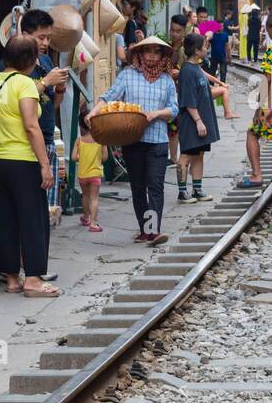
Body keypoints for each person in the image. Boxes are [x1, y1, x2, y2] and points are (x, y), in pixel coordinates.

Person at [0, 34, 59, 298]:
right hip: (23, 161)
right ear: (32, 61)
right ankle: (32, 279)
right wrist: (45, 165)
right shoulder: (26, 85)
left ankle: (11, 278)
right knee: (33, 219)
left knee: (3, 218)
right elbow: (32, 126)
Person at [88, 36, 179, 246]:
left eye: (157, 52)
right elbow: (109, 97)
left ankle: (153, 231)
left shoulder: (166, 80)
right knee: (138, 187)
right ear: (140, 54)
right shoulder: (128, 75)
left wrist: (156, 114)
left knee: (155, 186)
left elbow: (173, 109)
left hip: (157, 140)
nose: (152, 56)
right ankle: (144, 230)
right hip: (132, 140)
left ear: (162, 56)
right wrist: (93, 113)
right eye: (148, 51)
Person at [3, 8, 67, 224]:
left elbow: (52, 106)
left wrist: (59, 91)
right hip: (24, 144)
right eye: (41, 37)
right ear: (26, 35)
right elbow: (14, 97)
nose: (45, 43)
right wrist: (46, 82)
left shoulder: (46, 62)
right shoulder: (12, 65)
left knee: (47, 210)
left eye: (49, 38)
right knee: (28, 209)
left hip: (47, 139)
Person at [242, 13, 272, 188]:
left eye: (267, 30)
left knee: (252, 133)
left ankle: (256, 175)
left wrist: (259, 108)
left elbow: (267, 80)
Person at [177, 33, 219, 204]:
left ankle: (197, 189)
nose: (207, 49)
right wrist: (198, 121)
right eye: (204, 46)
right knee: (187, 154)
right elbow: (188, 99)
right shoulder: (187, 71)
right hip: (191, 121)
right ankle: (182, 192)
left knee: (199, 154)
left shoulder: (196, 68)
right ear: (196, 50)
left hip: (201, 119)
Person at [73, 106, 104, 233]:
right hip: (95, 173)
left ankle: (86, 217)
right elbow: (105, 157)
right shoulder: (100, 139)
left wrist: (83, 156)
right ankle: (93, 223)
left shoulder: (79, 140)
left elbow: (74, 157)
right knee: (94, 198)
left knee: (85, 196)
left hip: (82, 174)